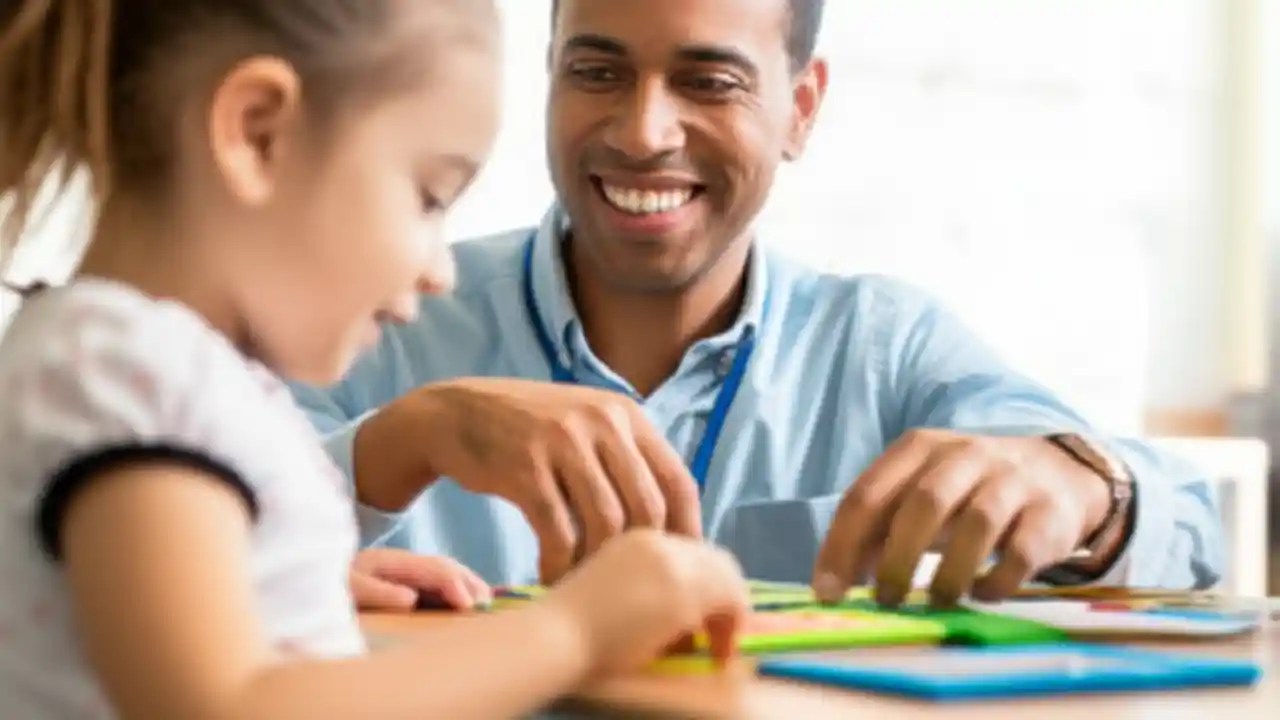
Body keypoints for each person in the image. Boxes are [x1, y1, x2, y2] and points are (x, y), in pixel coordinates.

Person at [291, 0, 1224, 607]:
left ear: (801, 110)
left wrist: (1085, 490)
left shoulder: (887, 350)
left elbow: (1191, 525)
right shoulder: (384, 317)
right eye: (597, 71)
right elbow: (177, 544)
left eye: (709, 81)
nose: (643, 130)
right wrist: (400, 444)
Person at [0, 1, 750, 717]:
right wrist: (578, 631)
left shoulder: (147, 371)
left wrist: (300, 581)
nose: (440, 271)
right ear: (259, 133)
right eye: (428, 196)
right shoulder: (133, 377)